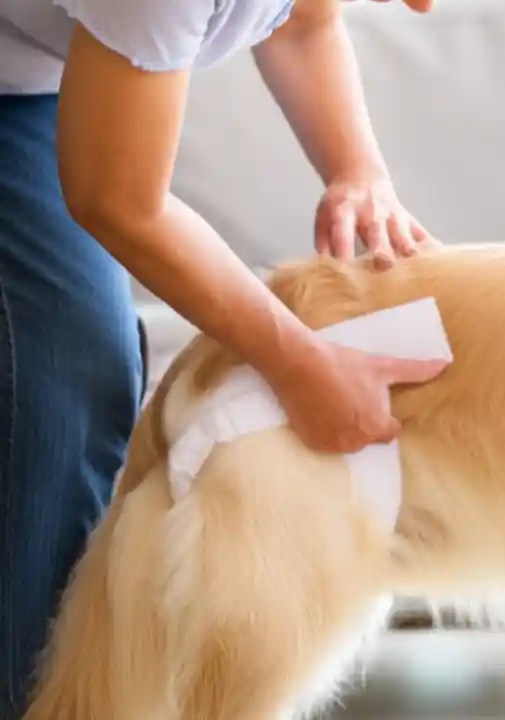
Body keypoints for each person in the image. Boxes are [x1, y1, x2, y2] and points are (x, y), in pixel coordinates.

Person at [0, 0, 446, 713]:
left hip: (31, 80)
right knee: (64, 371)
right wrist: (298, 363)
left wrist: (358, 170)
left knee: (74, 367)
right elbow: (118, 202)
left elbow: (304, 23)